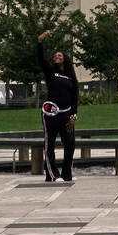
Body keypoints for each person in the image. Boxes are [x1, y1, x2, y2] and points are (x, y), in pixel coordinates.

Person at [37, 30, 78, 183]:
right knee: (50, 144)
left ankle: (67, 174)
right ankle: (53, 174)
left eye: (59, 56)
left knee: (70, 144)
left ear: (65, 59)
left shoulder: (69, 75)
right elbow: (41, 60)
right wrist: (40, 42)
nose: (56, 57)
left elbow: (75, 96)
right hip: (50, 113)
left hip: (67, 114)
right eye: (55, 56)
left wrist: (74, 115)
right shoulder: (50, 72)